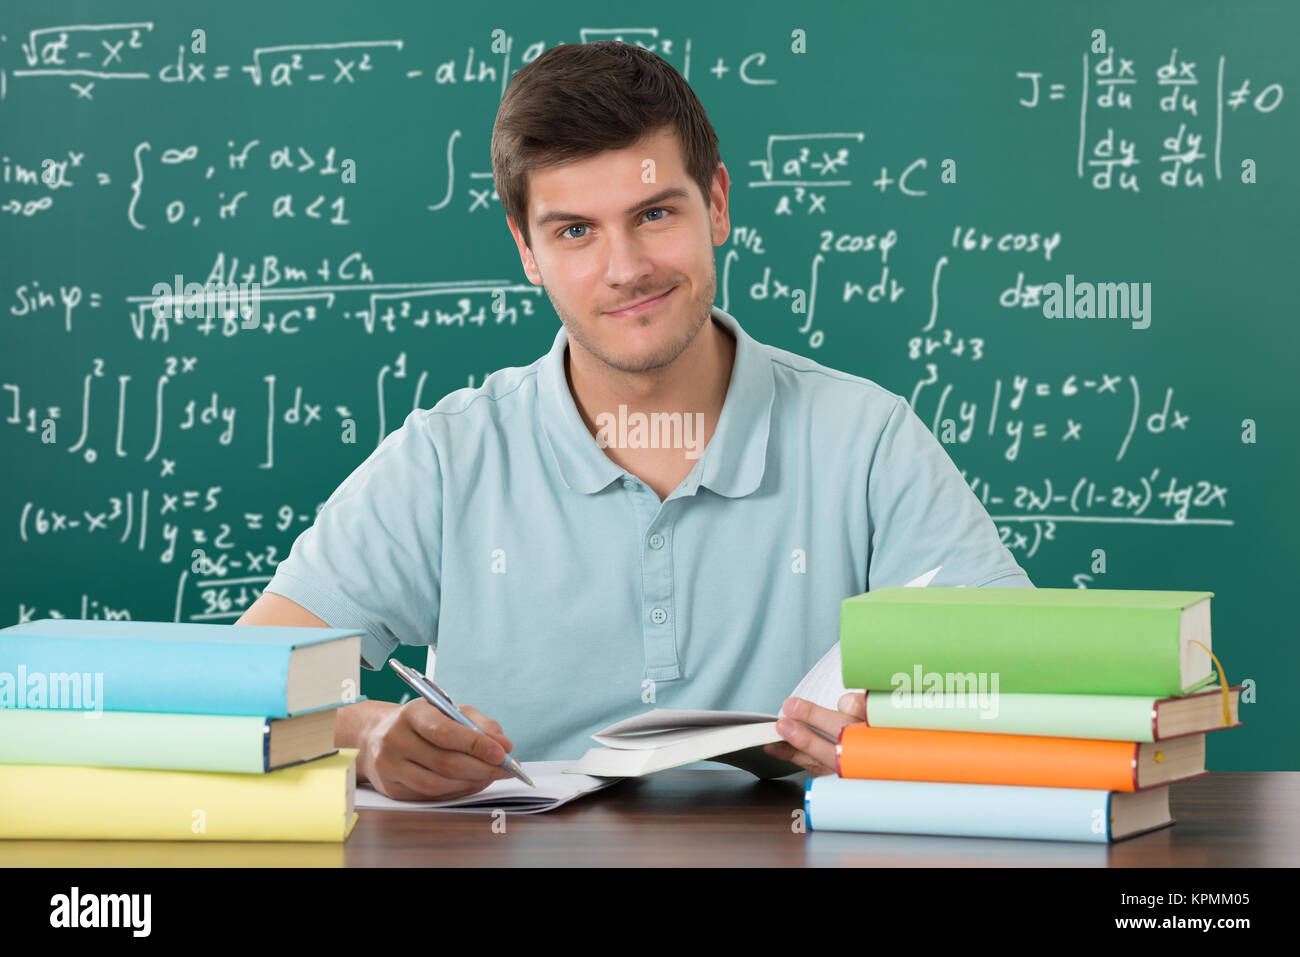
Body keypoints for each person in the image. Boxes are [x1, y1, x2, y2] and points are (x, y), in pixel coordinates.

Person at [236, 40, 1032, 800]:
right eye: (574, 231)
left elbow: (1022, 681)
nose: (626, 270)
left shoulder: (868, 440)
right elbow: (236, 680)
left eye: (654, 214)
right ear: (526, 249)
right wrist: (368, 738)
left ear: (716, 203)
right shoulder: (446, 459)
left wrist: (897, 728)